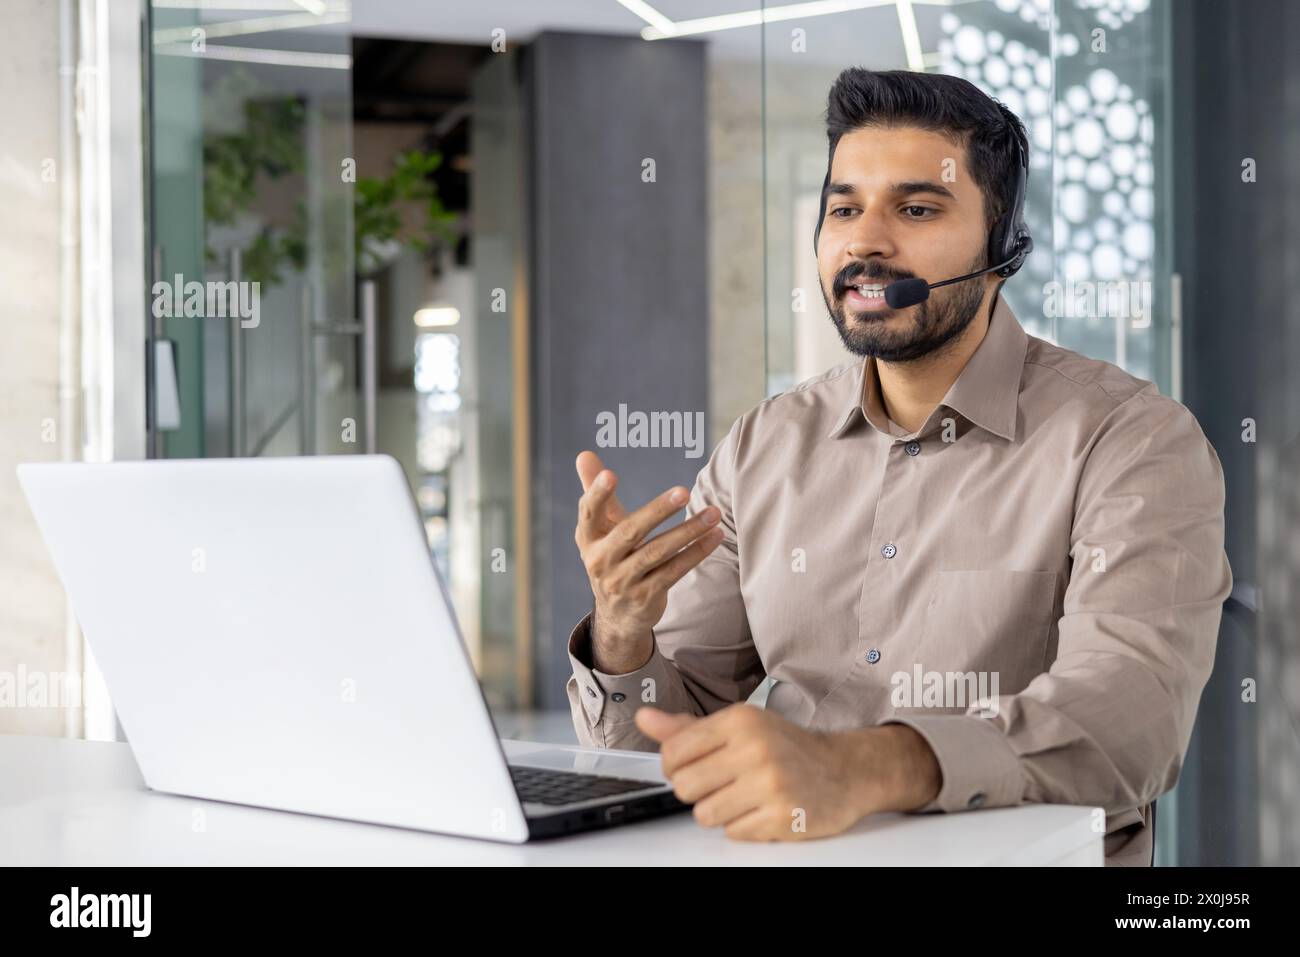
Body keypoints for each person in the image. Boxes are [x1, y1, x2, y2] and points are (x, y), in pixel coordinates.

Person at [567, 68, 1231, 866]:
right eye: (844, 208)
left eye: (916, 208)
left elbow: (1133, 716)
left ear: (1002, 245)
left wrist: (865, 766)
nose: (865, 241)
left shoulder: (1130, 437)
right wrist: (622, 633)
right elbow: (668, 739)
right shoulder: (763, 446)